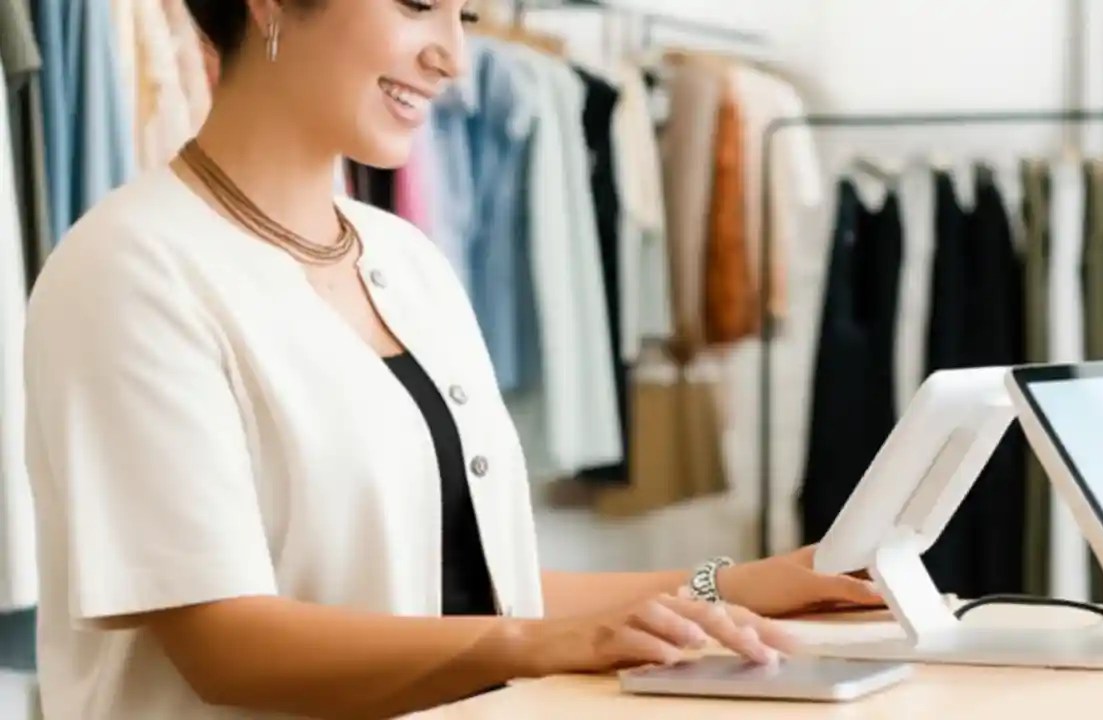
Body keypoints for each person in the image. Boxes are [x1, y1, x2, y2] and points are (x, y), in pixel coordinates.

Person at [21, 1, 881, 718]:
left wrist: (736, 584)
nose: (454, 58)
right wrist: (540, 646)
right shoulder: (131, 271)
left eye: (464, 16)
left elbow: (486, 589)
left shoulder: (406, 260)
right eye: (417, 6)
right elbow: (226, 646)